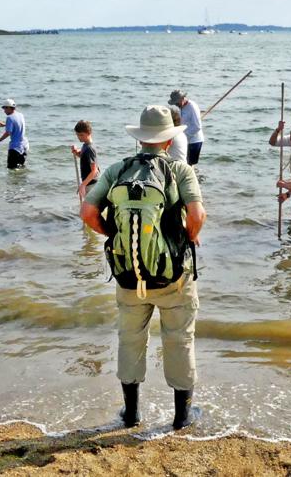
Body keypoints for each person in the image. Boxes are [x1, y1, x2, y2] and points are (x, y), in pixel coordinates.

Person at [79, 105, 206, 431]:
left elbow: (88, 212)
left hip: (128, 275)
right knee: (179, 339)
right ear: (168, 141)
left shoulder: (118, 170)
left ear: (140, 139)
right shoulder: (179, 170)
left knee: (130, 340)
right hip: (173, 278)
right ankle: (182, 417)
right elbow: (197, 216)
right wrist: (188, 236)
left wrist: (112, 234)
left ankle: (131, 413)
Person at [168, 90, 204, 166]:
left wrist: (184, 136)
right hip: (186, 141)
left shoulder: (192, 107)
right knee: (184, 162)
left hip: (194, 141)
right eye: (175, 103)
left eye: (177, 103)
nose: (176, 105)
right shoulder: (182, 107)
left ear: (182, 98)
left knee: (189, 164)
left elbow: (197, 126)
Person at [0, 99, 29, 169]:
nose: (4, 111)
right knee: (20, 168)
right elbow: (17, 124)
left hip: (15, 148)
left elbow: (8, 133)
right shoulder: (20, 115)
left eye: (4, 108)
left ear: (9, 108)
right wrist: (5, 124)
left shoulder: (9, 118)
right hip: (24, 146)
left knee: (11, 169)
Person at [71, 120, 99, 201]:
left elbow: (94, 171)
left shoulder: (90, 149)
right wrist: (76, 152)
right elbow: (84, 158)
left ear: (89, 133)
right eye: (77, 135)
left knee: (90, 205)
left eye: (81, 135)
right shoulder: (85, 145)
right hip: (88, 183)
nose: (79, 137)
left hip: (91, 185)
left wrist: (83, 185)